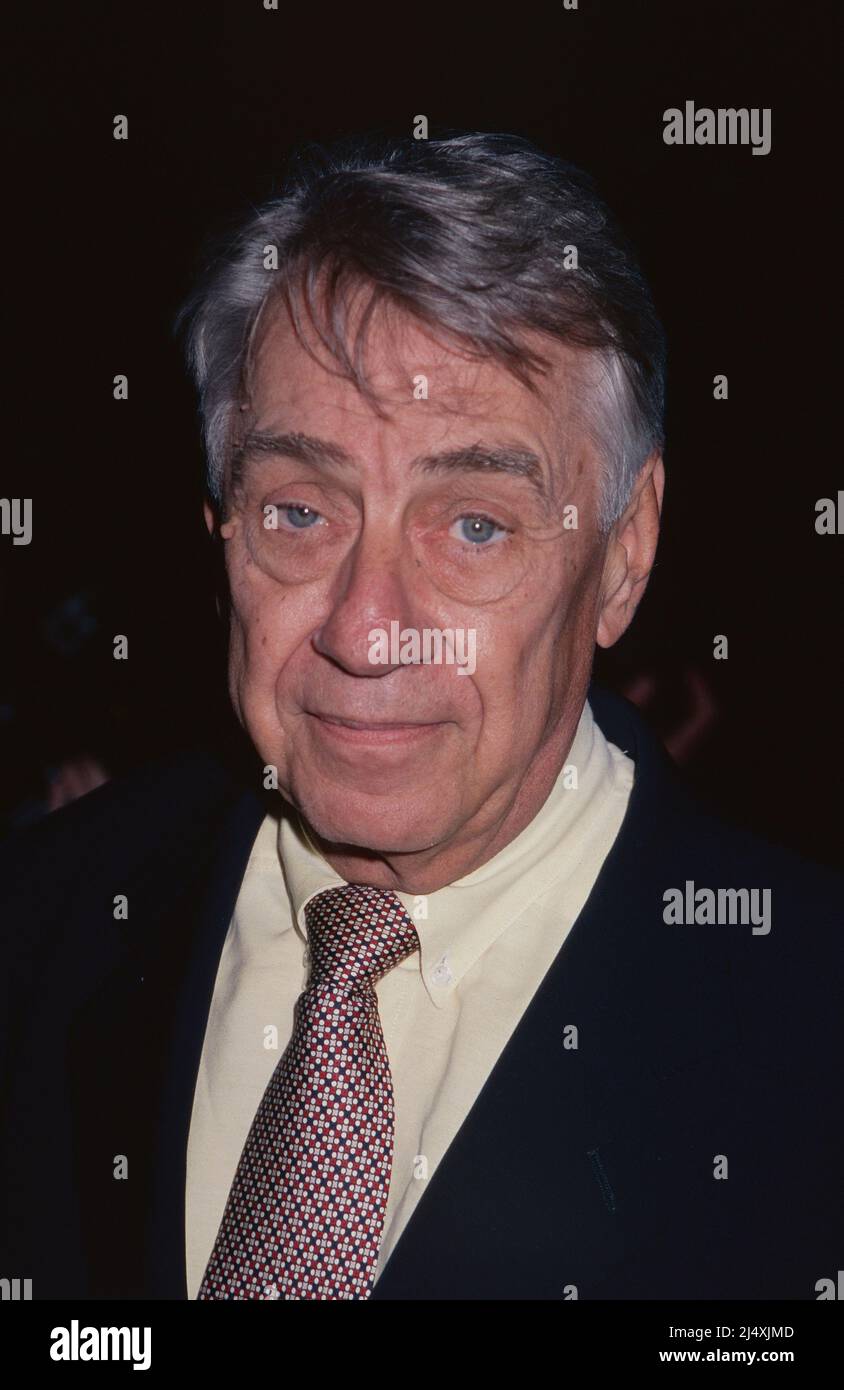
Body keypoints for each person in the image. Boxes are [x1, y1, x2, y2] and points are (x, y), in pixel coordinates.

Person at [1, 133, 841, 1301]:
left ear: (623, 552)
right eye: (299, 511)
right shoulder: (36, 924)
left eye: (475, 524)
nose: (368, 628)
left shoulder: (810, 1031)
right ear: (217, 529)